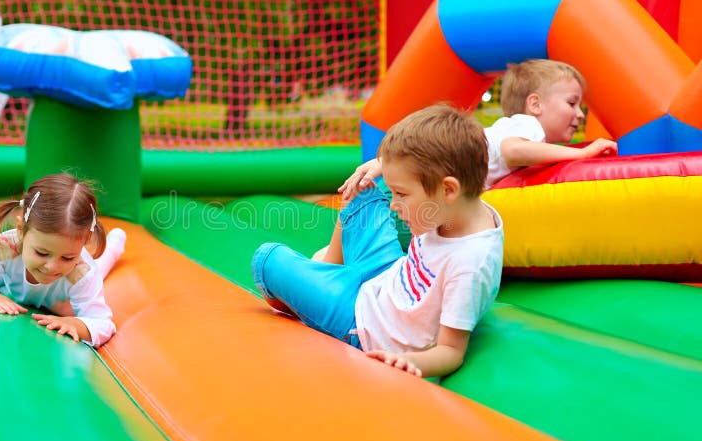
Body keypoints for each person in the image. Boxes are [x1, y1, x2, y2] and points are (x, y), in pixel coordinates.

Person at [251, 104, 503, 379]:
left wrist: (407, 362)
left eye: (401, 194)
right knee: (361, 191)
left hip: (362, 323)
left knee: (267, 258)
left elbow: (450, 352)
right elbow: (450, 154)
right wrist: (381, 164)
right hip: (385, 276)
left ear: (448, 189)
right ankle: (330, 270)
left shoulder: (469, 265)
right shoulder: (460, 201)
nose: (394, 205)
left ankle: (317, 291)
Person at [318, 58, 618, 262]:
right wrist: (581, 153)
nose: (580, 114)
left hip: (413, 195)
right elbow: (514, 150)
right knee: (343, 255)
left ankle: (320, 267)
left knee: (347, 251)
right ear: (535, 104)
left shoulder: (513, 126)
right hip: (414, 199)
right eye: (572, 103)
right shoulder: (528, 127)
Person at [0, 173, 126, 348]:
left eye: (67, 257)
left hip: (62, 296)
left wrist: (78, 324)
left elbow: (103, 323)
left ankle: (115, 243)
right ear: (21, 230)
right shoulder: (8, 247)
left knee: (97, 268)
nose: (52, 266)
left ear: (84, 242)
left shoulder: (81, 270)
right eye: (42, 252)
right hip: (12, 281)